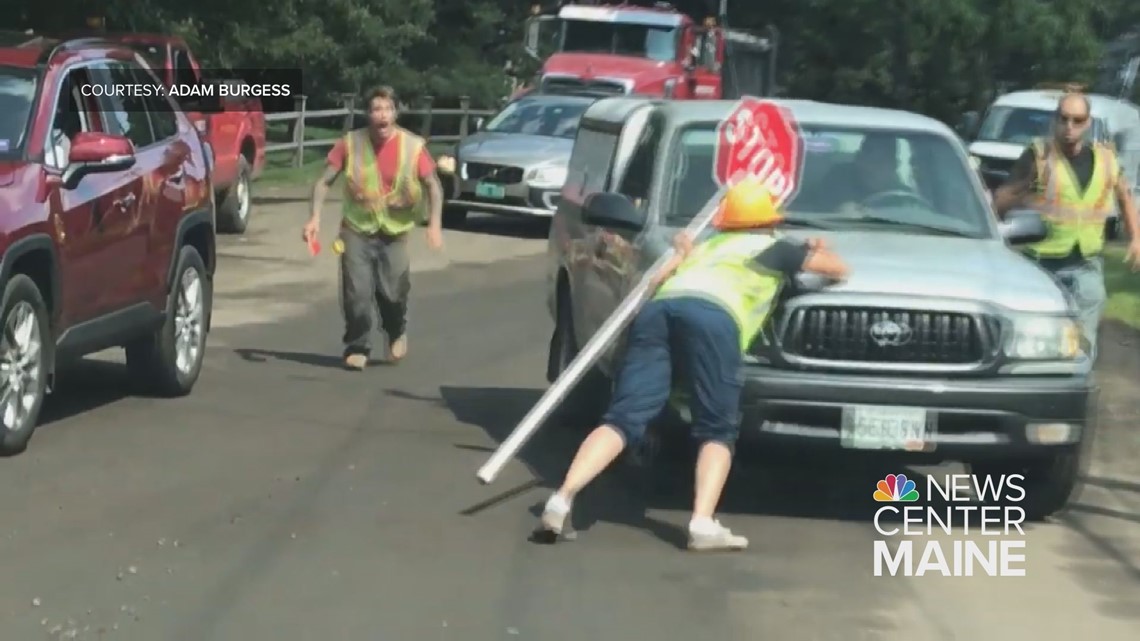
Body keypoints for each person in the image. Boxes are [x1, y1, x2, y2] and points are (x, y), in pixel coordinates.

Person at [534, 179, 849, 551]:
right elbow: (838, 270)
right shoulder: (773, 246)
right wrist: (816, 249)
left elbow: (656, 280)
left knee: (624, 417)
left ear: (726, 221)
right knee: (717, 428)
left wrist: (682, 253)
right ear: (769, 221)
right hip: (713, 319)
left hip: (659, 311)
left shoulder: (707, 247)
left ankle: (561, 499)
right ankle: (702, 523)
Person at [304, 86, 445, 370]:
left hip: (396, 231)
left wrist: (435, 224)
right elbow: (323, 182)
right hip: (357, 228)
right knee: (356, 293)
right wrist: (315, 218)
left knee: (394, 292)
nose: (382, 114)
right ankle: (357, 346)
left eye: (387, 109)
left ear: (395, 113)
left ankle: (396, 331)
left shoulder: (412, 146)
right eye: (376, 109)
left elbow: (433, 186)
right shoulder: (350, 144)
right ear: (368, 114)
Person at [993, 91, 1140, 361]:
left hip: (1086, 263)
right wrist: (1017, 196)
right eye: (1064, 119)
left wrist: (1136, 237)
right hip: (1041, 264)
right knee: (1036, 338)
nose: (1069, 127)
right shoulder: (1038, 156)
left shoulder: (1106, 159)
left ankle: (1077, 384)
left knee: (1081, 346)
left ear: (1087, 123)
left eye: (1077, 120)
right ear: (1055, 121)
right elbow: (1001, 201)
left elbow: (1125, 195)